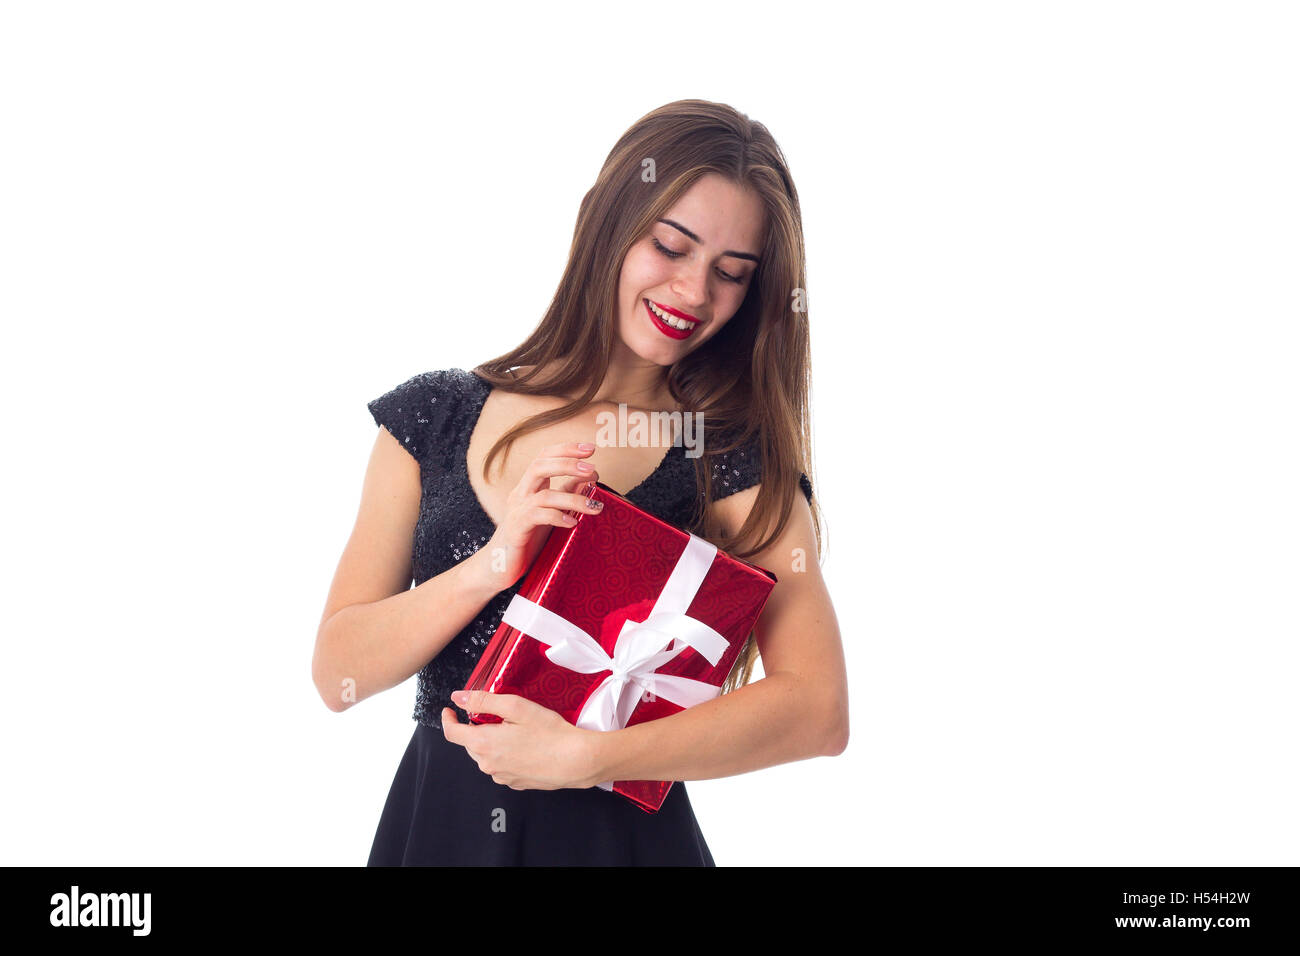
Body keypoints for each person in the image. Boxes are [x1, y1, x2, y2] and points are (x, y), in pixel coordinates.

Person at [312, 99, 849, 866]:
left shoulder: (726, 452)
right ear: (607, 221)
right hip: (442, 831)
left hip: (621, 843)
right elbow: (339, 675)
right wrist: (497, 563)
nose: (694, 292)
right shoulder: (435, 415)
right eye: (671, 246)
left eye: (731, 275)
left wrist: (588, 759)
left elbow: (818, 710)